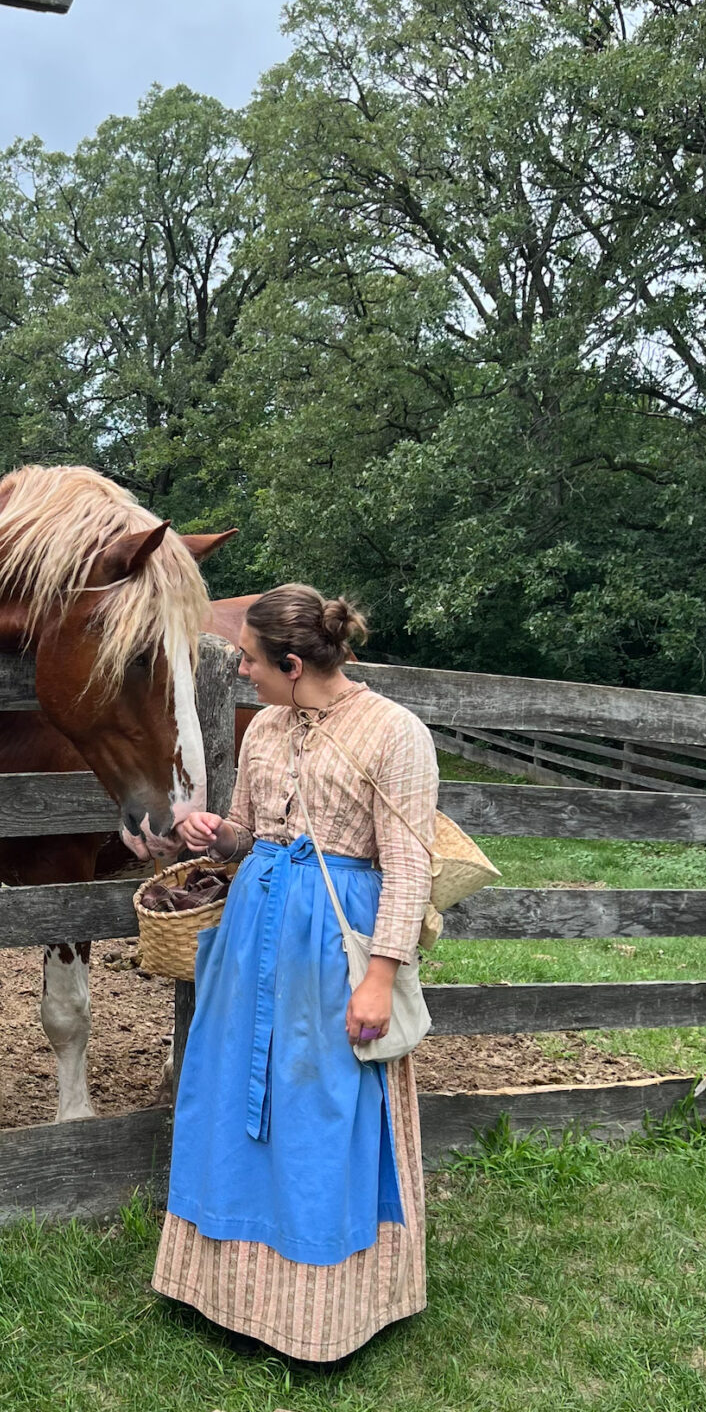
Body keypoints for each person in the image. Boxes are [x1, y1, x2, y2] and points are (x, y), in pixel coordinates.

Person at [153, 583, 437, 1361]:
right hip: (255, 931)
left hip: (334, 945)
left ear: (290, 661)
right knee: (233, 1091)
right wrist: (218, 833)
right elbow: (248, 832)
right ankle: (224, 1291)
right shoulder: (264, 730)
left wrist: (379, 977)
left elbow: (409, 867)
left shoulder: (394, 733)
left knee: (319, 1103)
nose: (240, 670)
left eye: (248, 659)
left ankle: (321, 1312)